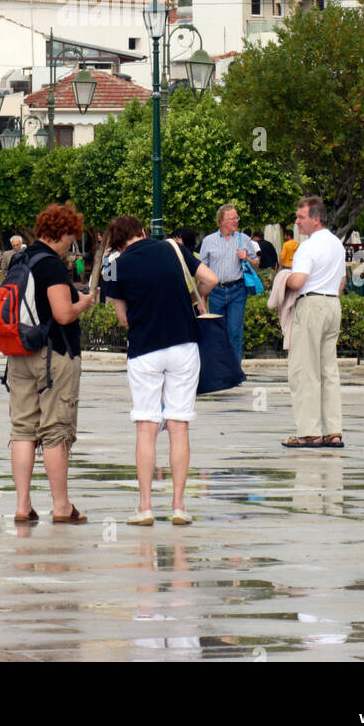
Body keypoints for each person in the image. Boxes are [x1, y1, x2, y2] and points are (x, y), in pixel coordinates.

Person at [105, 216, 217, 525]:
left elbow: (123, 318)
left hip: (145, 348)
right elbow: (210, 280)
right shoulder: (174, 249)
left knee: (146, 426)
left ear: (116, 242)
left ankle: (145, 507)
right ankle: (179, 506)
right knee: (179, 425)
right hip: (184, 344)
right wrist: (193, 300)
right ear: (142, 232)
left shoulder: (114, 264)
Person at [7, 203, 95, 525]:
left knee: (23, 429)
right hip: (53, 355)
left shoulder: (20, 258)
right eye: (71, 239)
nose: (71, 246)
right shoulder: (51, 265)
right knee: (56, 429)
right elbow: (62, 313)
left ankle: (22, 505)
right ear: (61, 233)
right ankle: (61, 507)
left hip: (19, 354)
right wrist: (82, 303)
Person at [281, 196, 346, 448]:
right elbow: (341, 282)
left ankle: (309, 432)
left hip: (311, 305)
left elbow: (298, 282)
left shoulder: (307, 247)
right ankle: (333, 430)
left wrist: (282, 280)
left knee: (305, 370)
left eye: (301, 217)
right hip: (332, 304)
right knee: (328, 370)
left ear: (316, 219)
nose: (297, 222)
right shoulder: (336, 245)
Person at [197, 204, 259, 361]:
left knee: (234, 331)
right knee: (217, 331)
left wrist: (247, 258)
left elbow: (256, 264)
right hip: (216, 291)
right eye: (232, 218)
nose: (236, 221)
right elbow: (201, 270)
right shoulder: (208, 241)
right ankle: (219, 369)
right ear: (221, 221)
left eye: (237, 217)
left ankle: (235, 369)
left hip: (237, 290)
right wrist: (201, 298)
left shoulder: (243, 239)